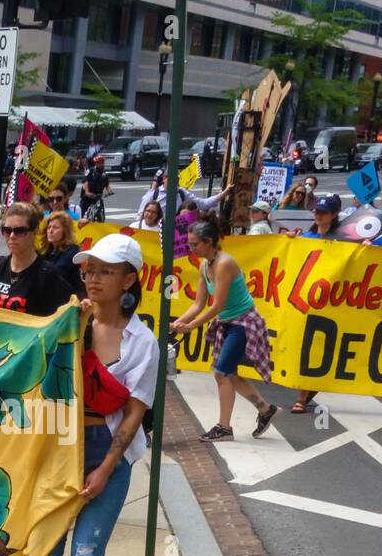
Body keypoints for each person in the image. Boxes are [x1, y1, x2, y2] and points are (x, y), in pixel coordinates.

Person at [26, 234, 159, 556]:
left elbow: (135, 415)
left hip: (107, 453)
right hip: (61, 449)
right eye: (89, 270)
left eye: (105, 271)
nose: (93, 278)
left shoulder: (143, 344)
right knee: (43, 552)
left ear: (129, 279)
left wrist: (105, 469)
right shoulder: (68, 324)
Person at [171, 213, 277, 442]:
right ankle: (265, 408)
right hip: (227, 322)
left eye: (194, 244)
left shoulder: (224, 263)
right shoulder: (204, 265)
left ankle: (225, 427)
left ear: (209, 242)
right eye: (189, 244)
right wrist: (178, 322)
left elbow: (217, 305)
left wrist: (190, 326)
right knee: (228, 374)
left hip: (243, 322)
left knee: (222, 373)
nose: (191, 248)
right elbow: (198, 303)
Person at [289, 195, 343, 414]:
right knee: (305, 345)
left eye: (323, 212)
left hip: (333, 302)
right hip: (306, 301)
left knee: (320, 347)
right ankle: (305, 392)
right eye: (316, 211)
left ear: (334, 215)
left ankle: (305, 393)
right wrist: (291, 241)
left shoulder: (345, 240)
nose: (318, 215)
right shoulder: (307, 237)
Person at [138, 168, 229, 216]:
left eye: (177, 179)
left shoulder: (182, 193)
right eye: (172, 179)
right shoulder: (153, 194)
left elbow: (203, 203)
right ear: (164, 179)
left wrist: (225, 192)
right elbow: (140, 215)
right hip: (155, 232)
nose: (175, 181)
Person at [40, 211, 84, 298]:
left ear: (65, 231)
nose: (51, 231)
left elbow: (54, 274)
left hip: (70, 299)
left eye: (56, 228)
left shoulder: (72, 251)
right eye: (49, 228)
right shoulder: (47, 251)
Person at [79, 154, 113, 219]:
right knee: (81, 213)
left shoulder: (104, 174)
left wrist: (110, 191)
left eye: (102, 162)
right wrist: (87, 192)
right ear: (96, 163)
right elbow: (86, 181)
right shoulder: (90, 171)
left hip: (97, 196)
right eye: (100, 162)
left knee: (100, 213)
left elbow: (107, 185)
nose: (102, 164)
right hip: (88, 196)